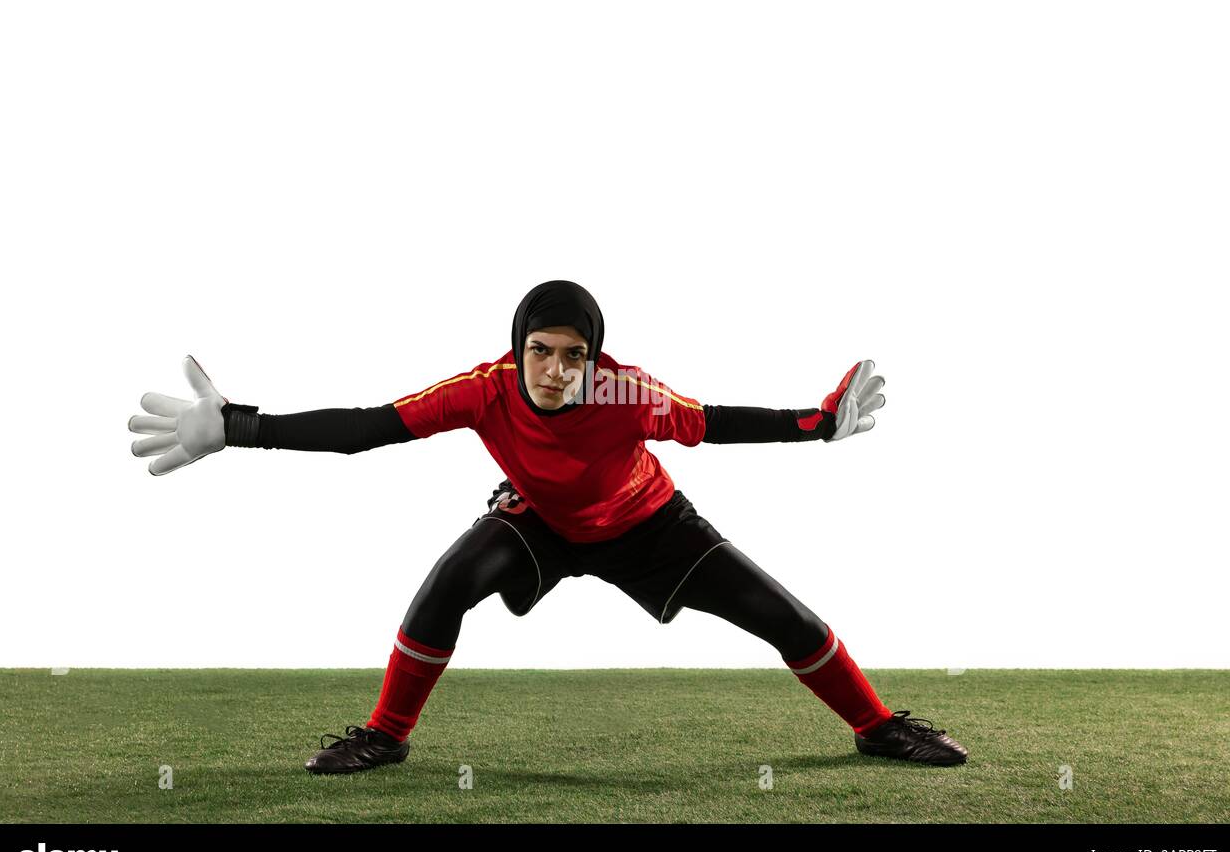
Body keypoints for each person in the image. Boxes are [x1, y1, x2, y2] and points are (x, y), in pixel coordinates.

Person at [128, 280, 968, 772]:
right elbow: (363, 430)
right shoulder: (483, 388)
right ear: (518, 349)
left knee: (790, 619)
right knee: (444, 589)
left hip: (650, 522)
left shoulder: (628, 394)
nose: (557, 370)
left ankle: (877, 727)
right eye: (542, 350)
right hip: (541, 522)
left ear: (594, 360)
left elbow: (714, 421)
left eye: (574, 354)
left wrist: (815, 424)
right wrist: (238, 427)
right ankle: (385, 738)